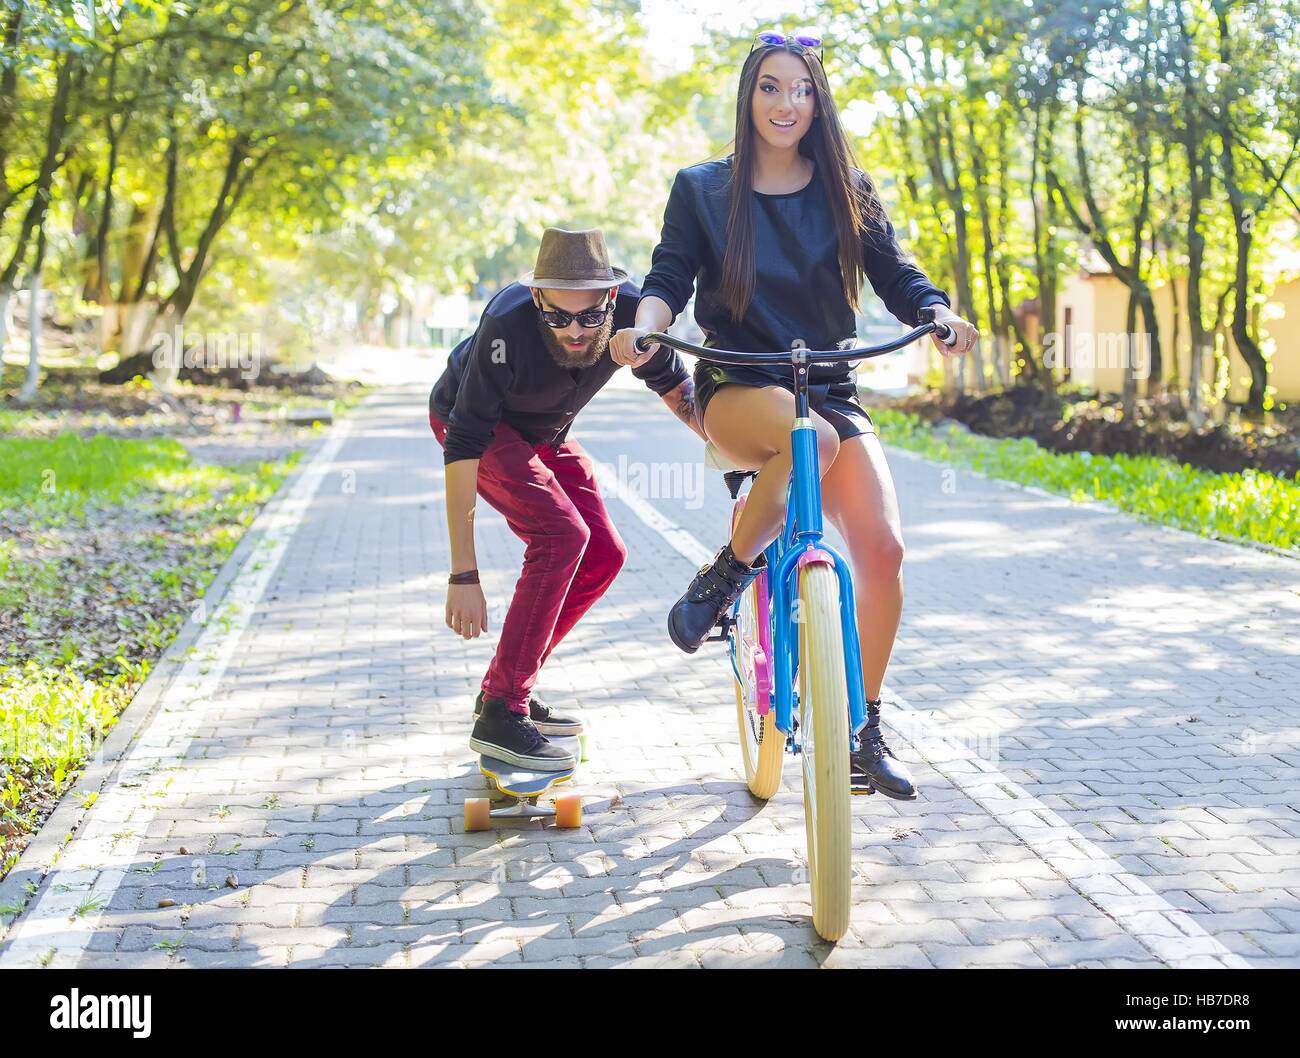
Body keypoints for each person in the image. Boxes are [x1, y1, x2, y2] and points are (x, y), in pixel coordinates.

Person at [610, 33, 976, 800]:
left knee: (884, 550)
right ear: (749, 97)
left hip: (827, 387)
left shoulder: (846, 185)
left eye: (802, 89)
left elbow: (896, 273)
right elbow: (667, 276)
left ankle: (864, 729)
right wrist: (646, 326)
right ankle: (727, 573)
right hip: (740, 383)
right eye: (771, 87)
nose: (787, 104)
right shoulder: (704, 189)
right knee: (810, 438)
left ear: (818, 101)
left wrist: (936, 312)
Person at [432, 228, 704, 770]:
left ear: (609, 299)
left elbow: (679, 391)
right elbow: (464, 441)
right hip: (473, 427)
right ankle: (504, 712)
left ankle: (503, 688)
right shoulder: (505, 324)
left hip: (545, 432)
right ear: (537, 298)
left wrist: (738, 454)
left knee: (604, 552)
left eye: (588, 316)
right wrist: (464, 575)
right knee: (562, 535)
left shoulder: (633, 317)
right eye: (558, 317)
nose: (575, 331)